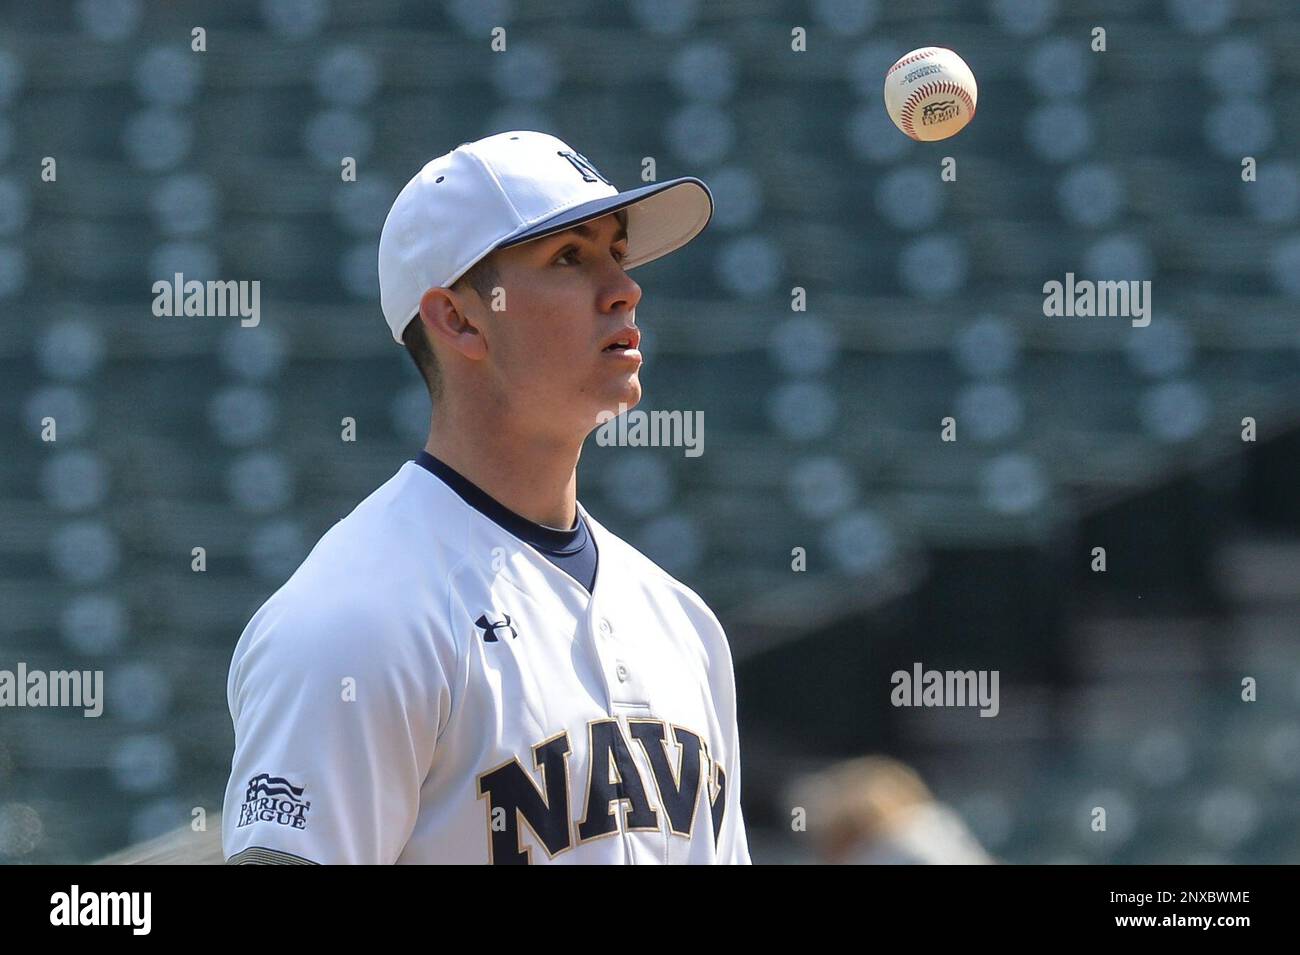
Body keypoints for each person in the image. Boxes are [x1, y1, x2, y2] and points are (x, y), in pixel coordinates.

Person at [221, 130, 750, 864]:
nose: (624, 287)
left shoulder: (684, 624)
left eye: (617, 252)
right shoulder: (352, 621)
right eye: (570, 257)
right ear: (459, 318)